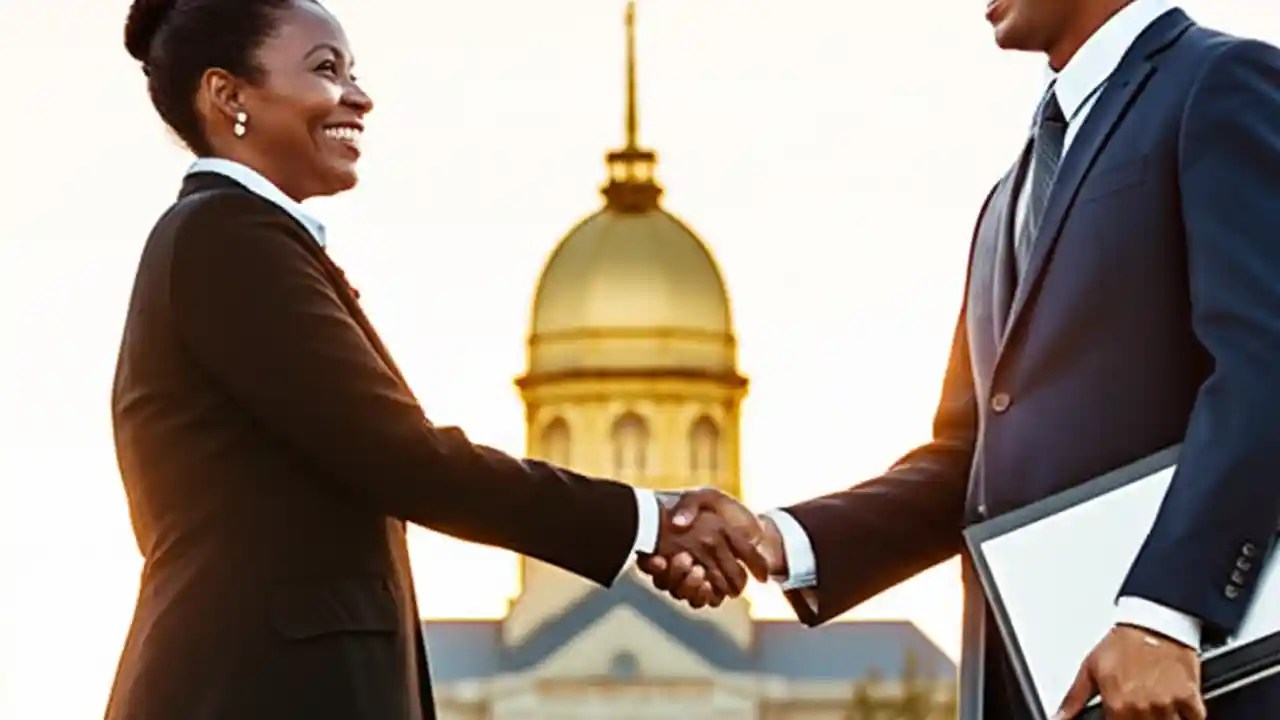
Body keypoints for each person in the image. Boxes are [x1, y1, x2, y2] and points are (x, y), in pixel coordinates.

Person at [107, 1, 765, 718]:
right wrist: (649, 520)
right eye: (326, 70)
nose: (358, 95)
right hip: (252, 693)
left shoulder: (246, 239)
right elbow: (404, 459)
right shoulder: (228, 242)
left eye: (353, 71)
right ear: (228, 95)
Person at [640, 1, 1280, 718]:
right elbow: (966, 465)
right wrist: (776, 538)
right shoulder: (1004, 200)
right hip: (1029, 690)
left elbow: (1266, 368)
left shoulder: (1222, 84)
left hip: (1188, 685)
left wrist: (1167, 614)